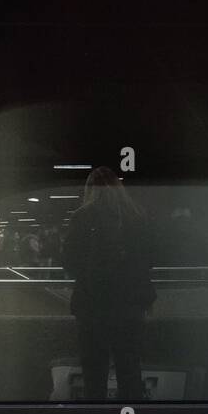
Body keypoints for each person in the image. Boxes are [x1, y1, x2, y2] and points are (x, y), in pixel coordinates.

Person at [62, 167, 154, 401]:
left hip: (92, 307)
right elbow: (148, 260)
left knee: (94, 374)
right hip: (129, 306)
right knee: (130, 371)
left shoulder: (82, 216)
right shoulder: (136, 216)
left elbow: (69, 262)